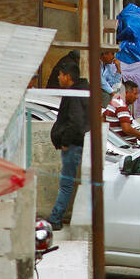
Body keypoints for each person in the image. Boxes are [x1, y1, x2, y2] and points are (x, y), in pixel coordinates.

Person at [48, 60, 88, 230]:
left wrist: (65, 142)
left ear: (68, 77)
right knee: (67, 183)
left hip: (72, 146)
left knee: (66, 184)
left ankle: (55, 218)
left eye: (60, 74)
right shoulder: (81, 91)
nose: (58, 77)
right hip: (76, 144)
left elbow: (76, 122)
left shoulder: (75, 94)